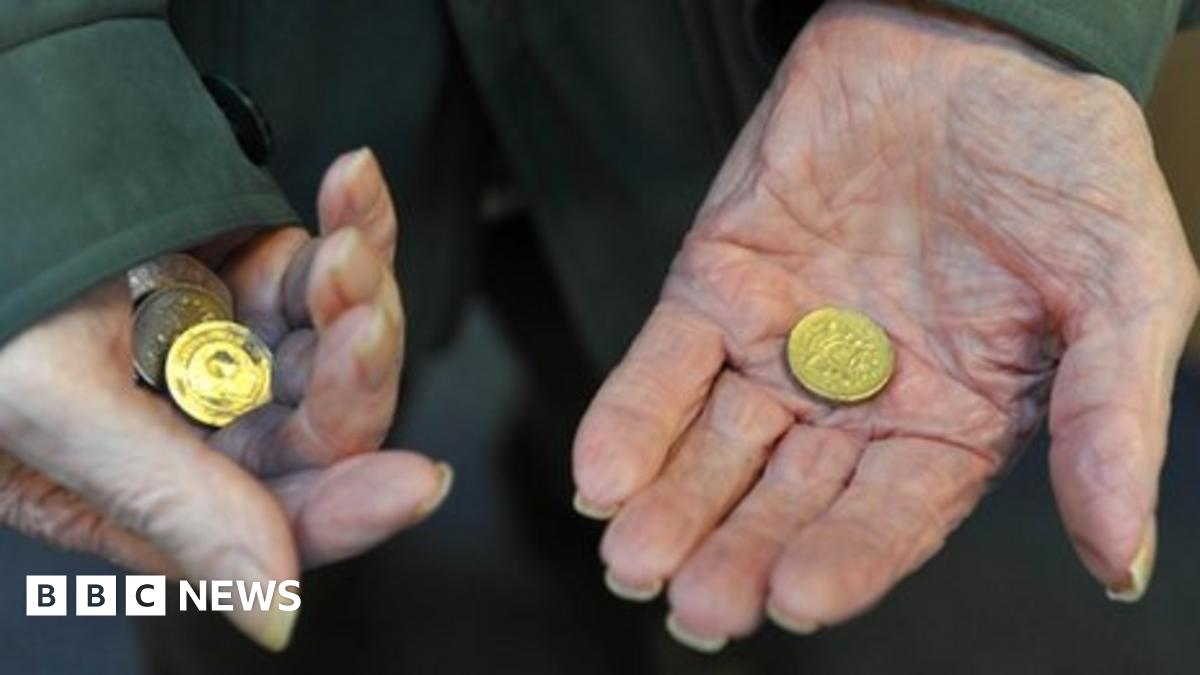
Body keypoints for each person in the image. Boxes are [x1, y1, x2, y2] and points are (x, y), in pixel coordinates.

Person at [0, 0, 1196, 667]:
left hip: (738, 97)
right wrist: (42, 144)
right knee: (245, 471)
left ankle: (570, 527)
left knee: (644, 409)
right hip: (211, 104)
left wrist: (998, 20)